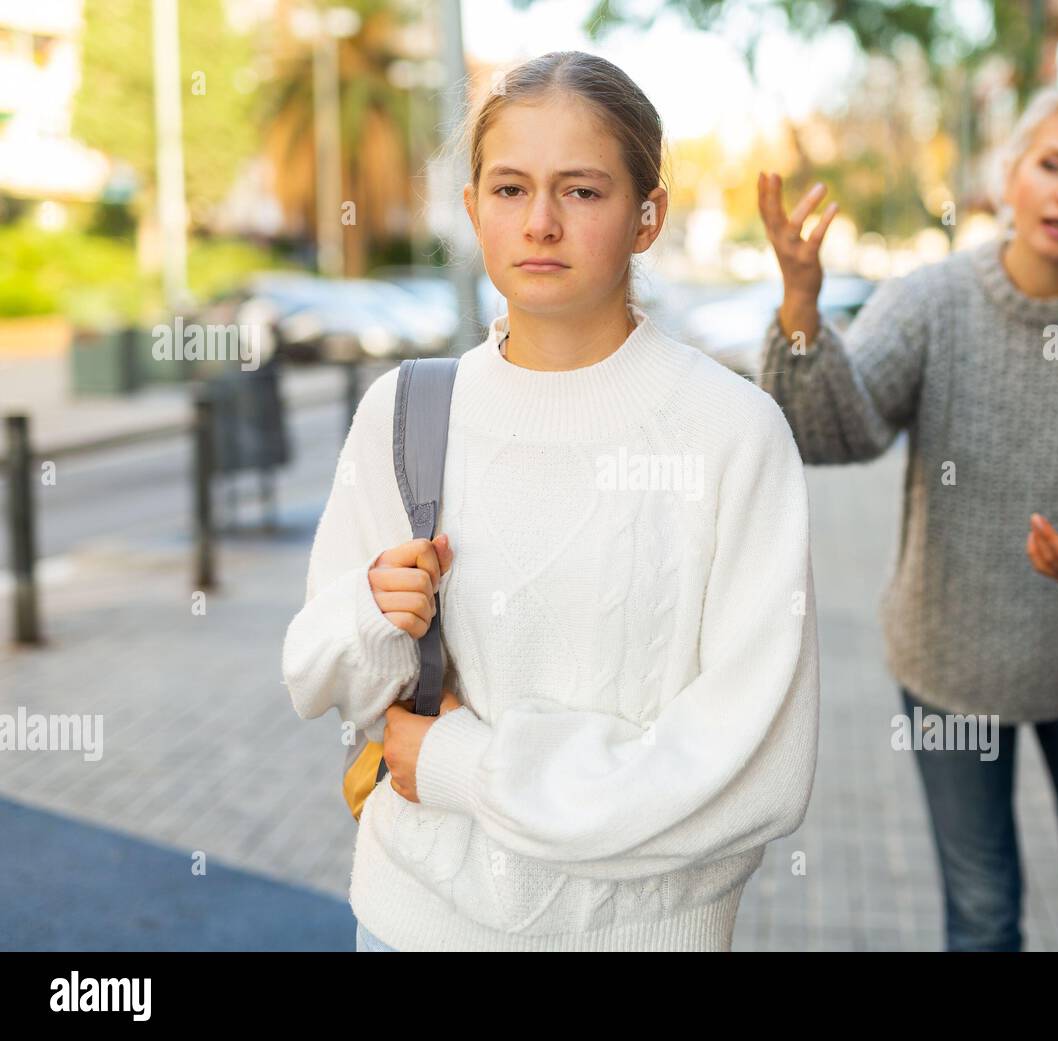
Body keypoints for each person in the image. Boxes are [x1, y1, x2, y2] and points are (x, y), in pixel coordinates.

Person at [282, 50, 819, 952]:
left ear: (647, 217)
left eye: (581, 191)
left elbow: (751, 775)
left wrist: (462, 766)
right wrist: (370, 611)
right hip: (410, 922)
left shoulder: (736, 433)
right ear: (471, 210)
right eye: (508, 189)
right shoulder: (408, 412)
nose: (539, 223)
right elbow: (316, 676)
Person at [755, 87, 1058, 952]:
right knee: (981, 917)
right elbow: (833, 432)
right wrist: (804, 313)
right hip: (950, 663)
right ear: (1011, 174)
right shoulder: (934, 299)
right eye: (1053, 165)